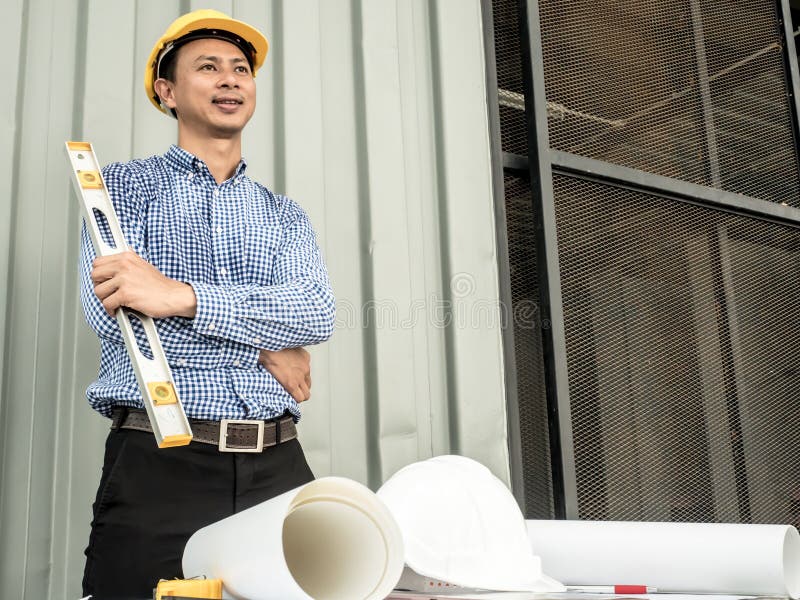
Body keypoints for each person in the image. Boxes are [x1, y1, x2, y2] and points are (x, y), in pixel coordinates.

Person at [78, 9, 335, 598]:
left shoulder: (284, 214)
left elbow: (316, 313)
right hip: (160, 463)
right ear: (167, 92)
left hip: (278, 465)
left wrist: (178, 296)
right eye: (208, 67)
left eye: (241, 69)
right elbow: (118, 320)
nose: (230, 79)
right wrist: (269, 338)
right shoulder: (118, 188)